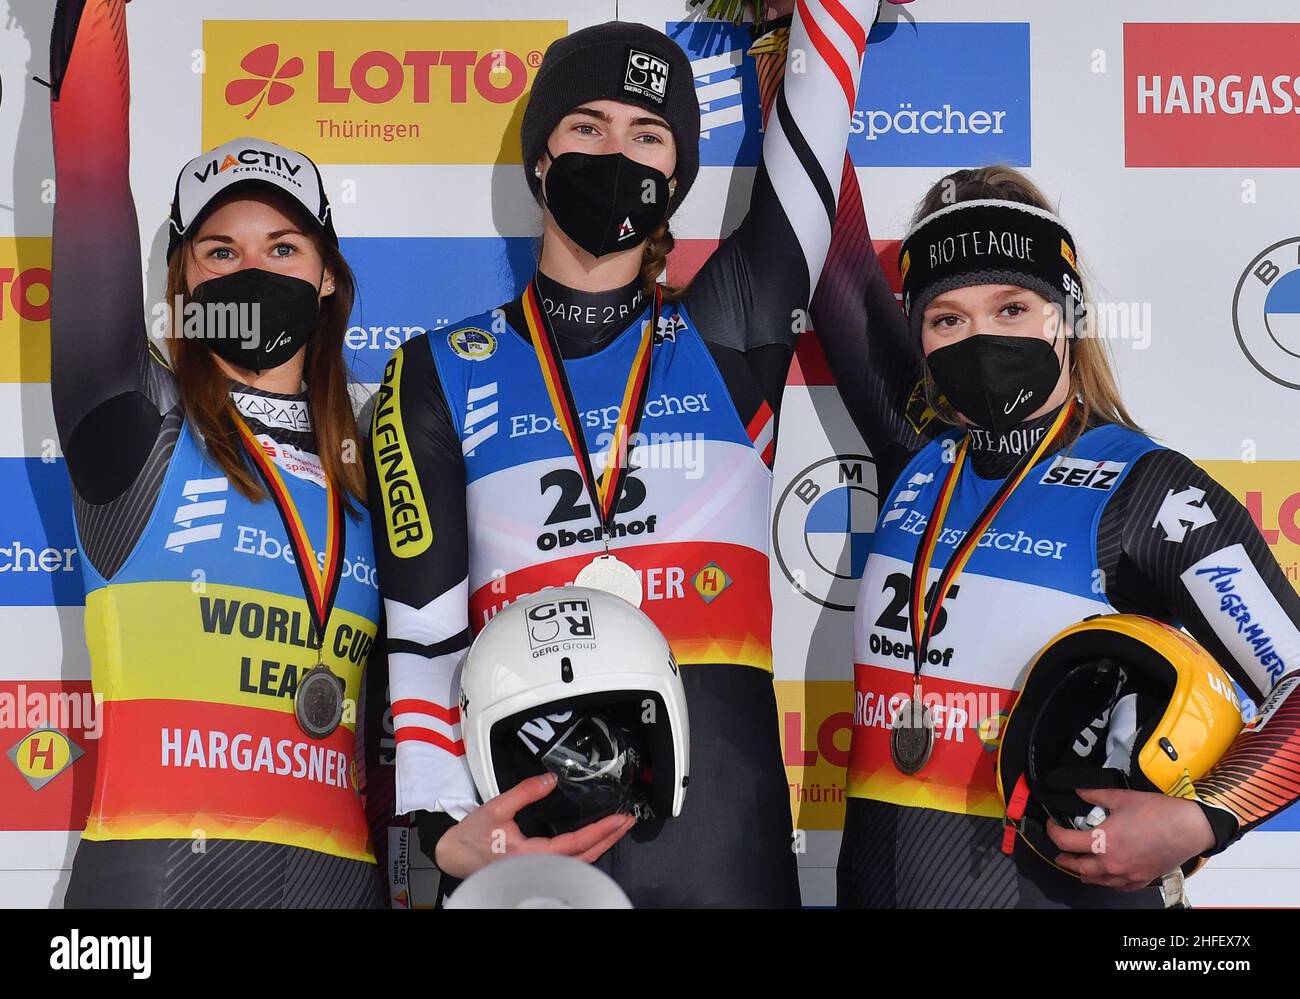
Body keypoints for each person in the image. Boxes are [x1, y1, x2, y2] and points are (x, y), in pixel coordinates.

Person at [368, 3, 886, 906]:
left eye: (648, 134)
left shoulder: (733, 329)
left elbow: (814, 126)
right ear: (540, 158)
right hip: (523, 842)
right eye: (587, 125)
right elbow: (421, 632)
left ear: (678, 173)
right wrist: (441, 823)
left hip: (727, 847)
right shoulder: (433, 371)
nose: (616, 153)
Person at [816, 160, 1300, 907]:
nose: (981, 335)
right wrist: (801, 48)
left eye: (1012, 308)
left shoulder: (1145, 487)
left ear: (1065, 315)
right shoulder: (917, 452)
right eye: (949, 318)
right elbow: (821, 233)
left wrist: (1205, 818)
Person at [52, 0, 383, 907]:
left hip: (342, 887)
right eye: (220, 250)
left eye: (283, 247)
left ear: (325, 277)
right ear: (184, 279)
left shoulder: (378, 454)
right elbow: (87, 180)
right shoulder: (135, 423)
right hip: (146, 900)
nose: (253, 271)